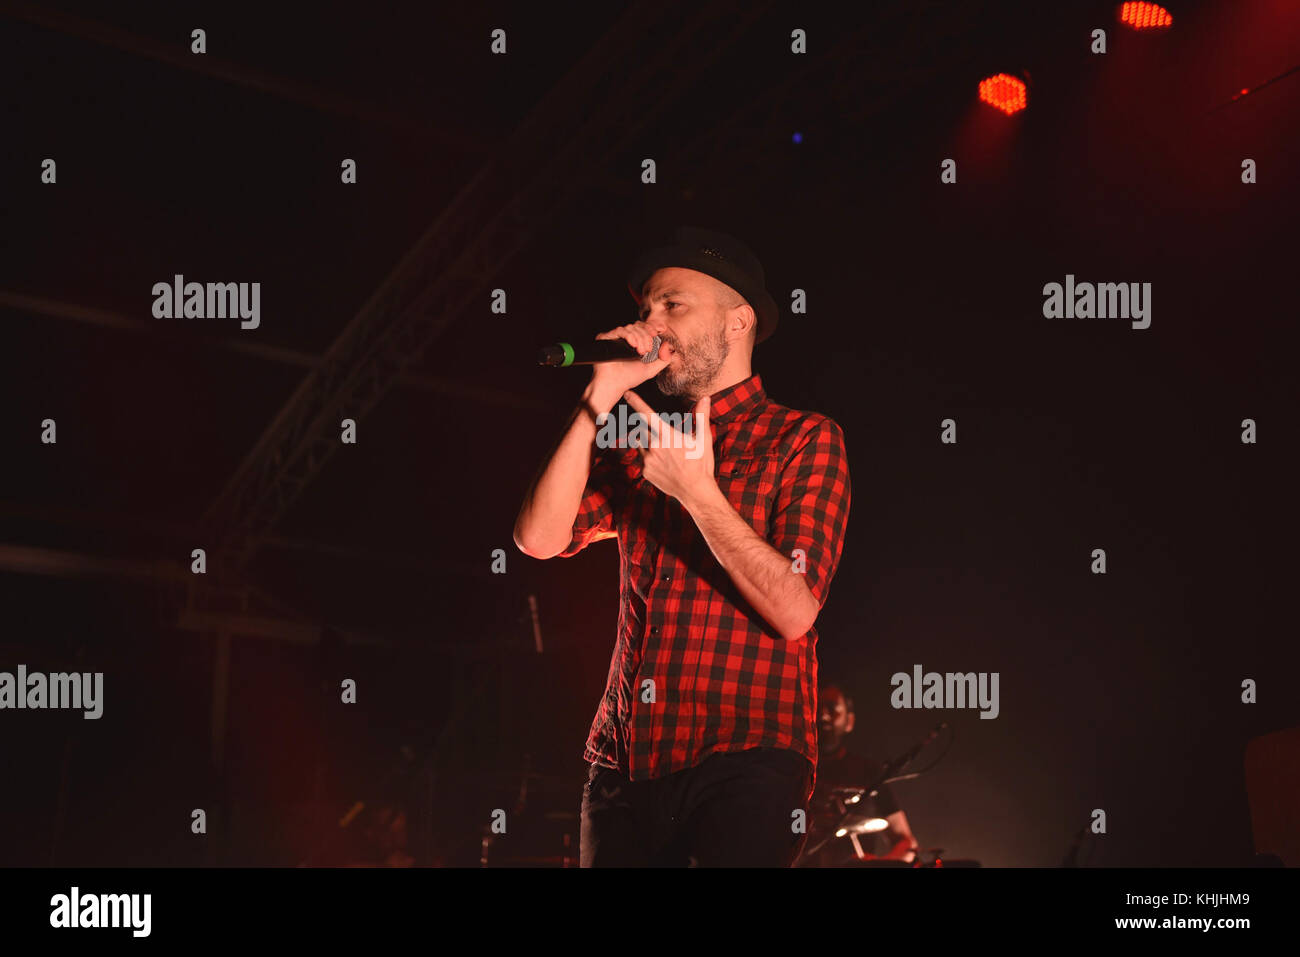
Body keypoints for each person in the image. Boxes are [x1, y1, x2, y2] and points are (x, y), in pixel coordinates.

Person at [513, 226, 851, 866]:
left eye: (673, 304)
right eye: (646, 309)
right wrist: (600, 392)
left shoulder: (804, 437)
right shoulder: (643, 444)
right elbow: (536, 538)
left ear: (738, 321)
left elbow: (795, 610)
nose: (652, 323)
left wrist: (698, 494)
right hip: (623, 761)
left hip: (745, 755)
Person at [805, 684, 920, 866]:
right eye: (816, 708)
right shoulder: (793, 772)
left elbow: (906, 842)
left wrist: (879, 865)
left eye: (832, 708)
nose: (823, 715)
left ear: (849, 721)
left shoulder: (869, 772)